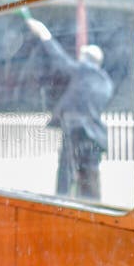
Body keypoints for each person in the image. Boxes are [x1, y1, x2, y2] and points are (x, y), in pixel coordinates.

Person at [48, 43, 113, 201]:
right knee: (90, 180)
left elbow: (61, 59)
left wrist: (46, 37)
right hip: (95, 136)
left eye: (83, 56)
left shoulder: (84, 72)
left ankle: (60, 206)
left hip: (76, 133)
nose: (80, 59)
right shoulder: (106, 82)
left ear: (88, 59)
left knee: (65, 177)